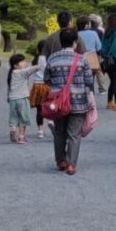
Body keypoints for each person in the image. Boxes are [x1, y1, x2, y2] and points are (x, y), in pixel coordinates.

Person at [44, 28, 100, 174]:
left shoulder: (52, 58)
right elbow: (89, 80)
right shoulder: (81, 59)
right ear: (75, 43)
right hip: (78, 102)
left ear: (61, 42)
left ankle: (60, 160)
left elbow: (47, 80)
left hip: (58, 103)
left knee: (59, 132)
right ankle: (71, 164)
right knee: (74, 134)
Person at [4, 52, 36, 144]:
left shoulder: (11, 73)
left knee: (14, 117)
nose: (25, 63)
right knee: (23, 118)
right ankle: (21, 137)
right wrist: (40, 66)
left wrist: (8, 98)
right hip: (22, 99)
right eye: (22, 62)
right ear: (15, 65)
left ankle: (13, 129)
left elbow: (9, 88)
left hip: (12, 100)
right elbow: (31, 70)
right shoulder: (21, 72)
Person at [28, 39, 50, 140]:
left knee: (39, 110)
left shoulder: (35, 59)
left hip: (37, 86)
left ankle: (40, 131)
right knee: (51, 106)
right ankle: (51, 121)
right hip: (47, 85)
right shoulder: (49, 58)